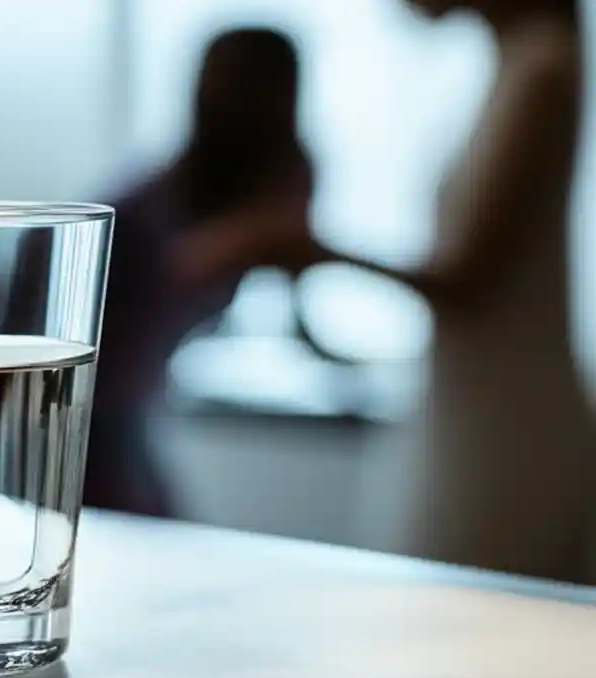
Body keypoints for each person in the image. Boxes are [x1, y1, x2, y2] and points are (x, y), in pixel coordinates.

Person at [205, 0, 592, 580]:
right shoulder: (520, 63)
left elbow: (471, 278)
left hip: (508, 422)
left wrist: (314, 249)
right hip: (481, 400)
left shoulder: (541, 70)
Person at [84, 29, 315, 516]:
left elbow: (297, 294)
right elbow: (178, 274)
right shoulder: (154, 203)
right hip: (85, 404)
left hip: (130, 404)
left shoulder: (284, 178)